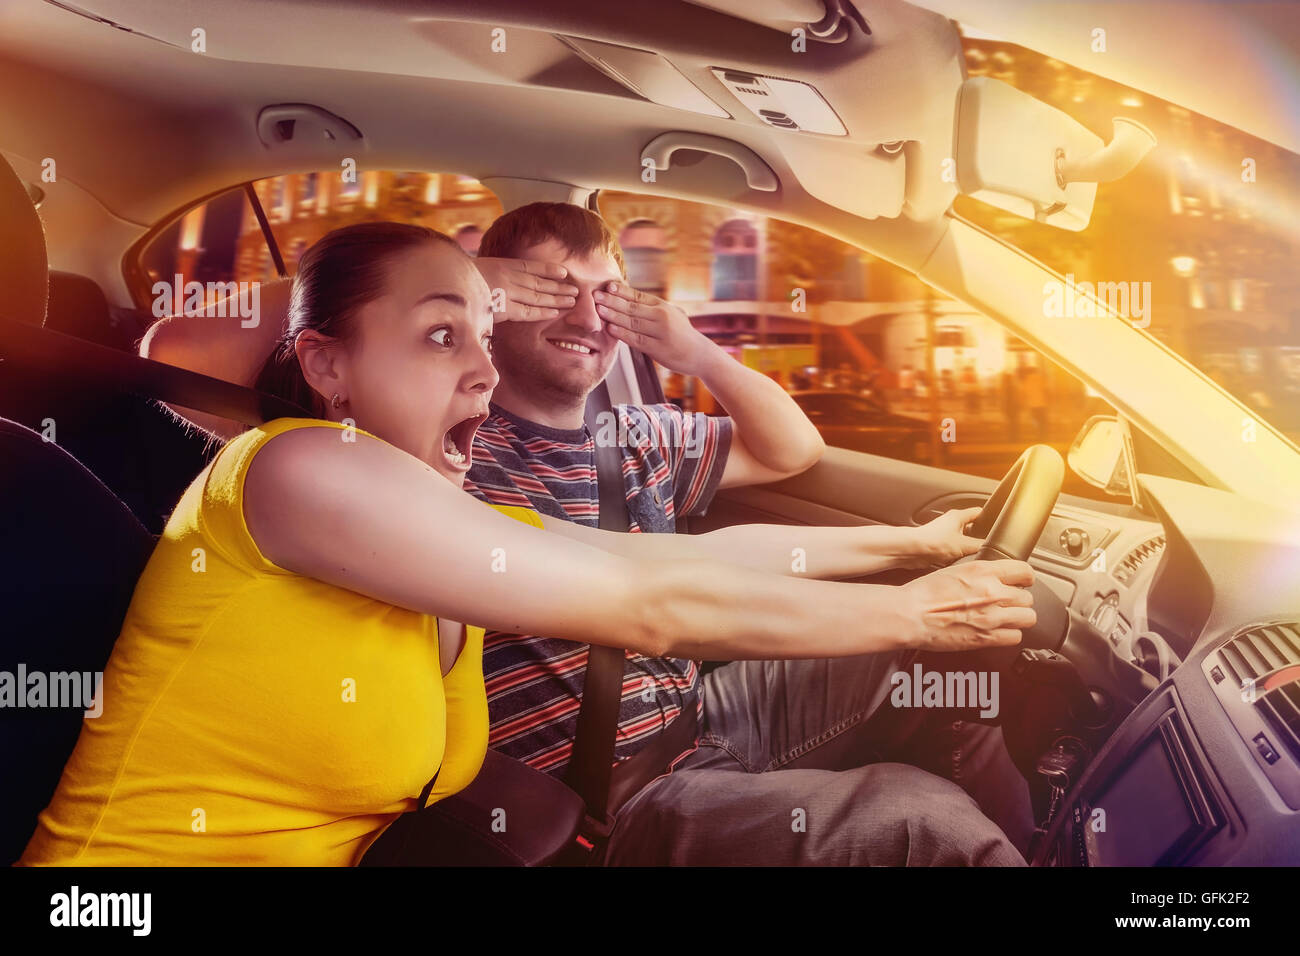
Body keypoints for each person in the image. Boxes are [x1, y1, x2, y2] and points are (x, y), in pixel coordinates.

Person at [25, 221, 1036, 867]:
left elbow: (660, 563)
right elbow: (649, 609)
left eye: (480, 326)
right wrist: (915, 611)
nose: (478, 369)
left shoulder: (446, 519)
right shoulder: (299, 468)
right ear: (325, 362)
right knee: (921, 819)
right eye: (440, 333)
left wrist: (908, 553)